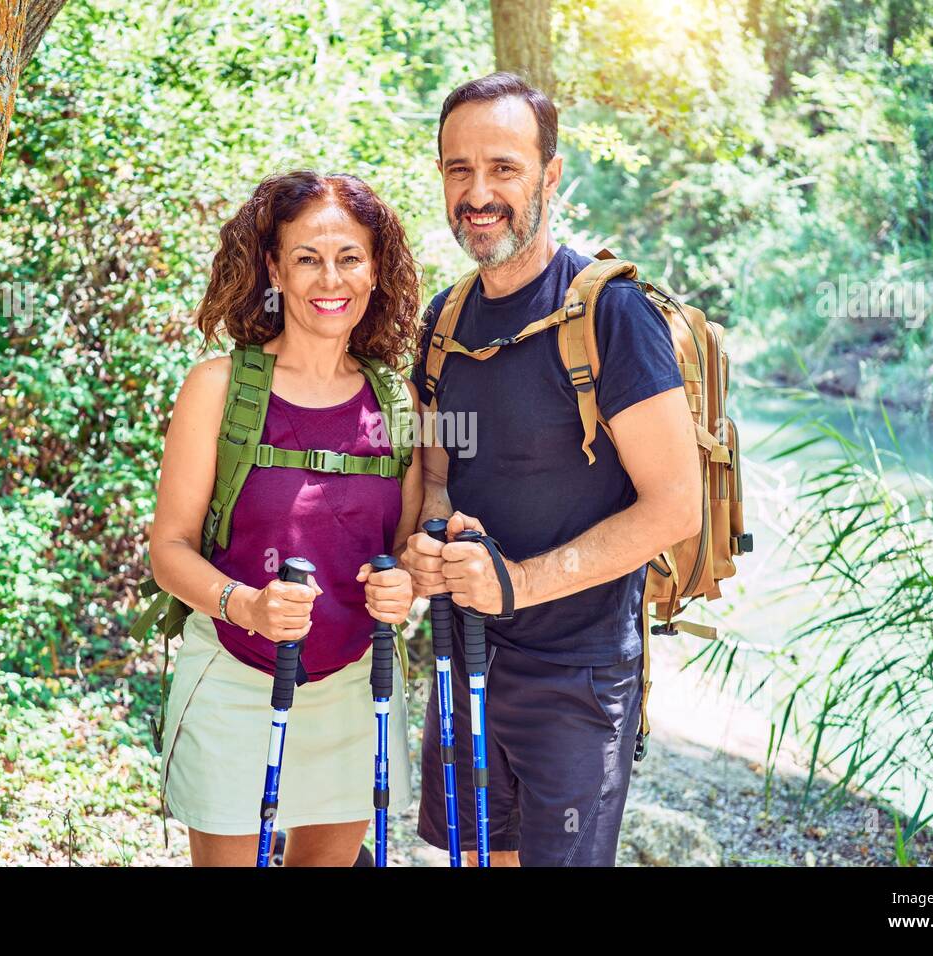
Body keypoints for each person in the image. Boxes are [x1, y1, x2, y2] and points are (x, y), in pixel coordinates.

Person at [401, 73, 702, 866]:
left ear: (550, 175)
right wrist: (429, 539)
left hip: (578, 680)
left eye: (503, 167)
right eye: (459, 169)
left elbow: (676, 509)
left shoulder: (611, 314)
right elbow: (435, 476)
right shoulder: (443, 322)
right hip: (463, 650)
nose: (478, 192)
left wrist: (523, 584)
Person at [149, 170, 423, 866]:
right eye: (307, 258)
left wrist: (405, 587)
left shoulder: (400, 406)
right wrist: (246, 606)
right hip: (235, 680)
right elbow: (170, 549)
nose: (330, 278)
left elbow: (404, 554)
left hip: (357, 687)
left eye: (350, 257)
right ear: (274, 267)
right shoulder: (218, 389)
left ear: (375, 266)